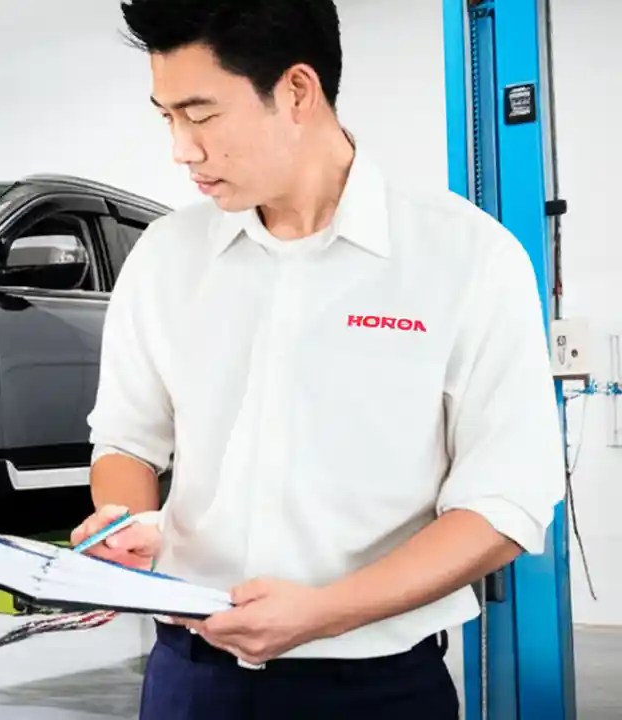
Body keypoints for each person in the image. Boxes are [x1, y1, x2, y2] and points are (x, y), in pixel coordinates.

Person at [70, 0, 567, 717]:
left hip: (374, 687)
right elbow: (126, 439)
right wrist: (121, 523)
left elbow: (503, 506)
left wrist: (326, 611)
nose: (181, 148)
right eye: (166, 117)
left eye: (202, 115)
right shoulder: (165, 259)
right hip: (190, 678)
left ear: (297, 91)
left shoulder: (466, 259)